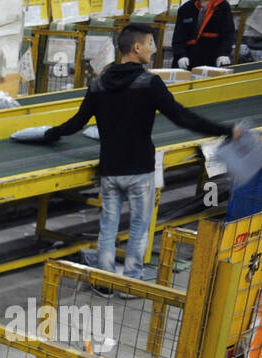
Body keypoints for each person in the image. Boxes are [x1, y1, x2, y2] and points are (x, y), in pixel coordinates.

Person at [39, 23, 238, 292]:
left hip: (110, 169)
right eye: (149, 44)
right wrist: (225, 130)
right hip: (140, 169)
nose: (152, 49)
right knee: (138, 228)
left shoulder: (98, 85)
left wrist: (49, 134)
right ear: (136, 48)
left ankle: (104, 281)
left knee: (107, 228)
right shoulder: (149, 83)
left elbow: (76, 123)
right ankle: (131, 281)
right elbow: (182, 117)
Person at [172, 0, 236, 69]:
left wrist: (224, 54)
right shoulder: (185, 8)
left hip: (212, 62)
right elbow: (178, 37)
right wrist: (181, 55)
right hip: (186, 62)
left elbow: (228, 34)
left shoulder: (222, 6)